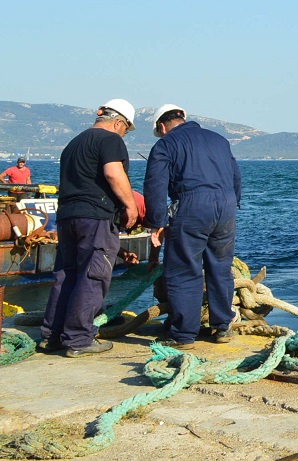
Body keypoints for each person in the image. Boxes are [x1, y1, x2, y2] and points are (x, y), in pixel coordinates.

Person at [40, 99, 140, 357]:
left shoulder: (73, 143)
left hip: (67, 216)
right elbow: (113, 174)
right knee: (93, 276)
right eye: (126, 130)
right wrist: (130, 206)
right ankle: (79, 339)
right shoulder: (110, 140)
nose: (123, 134)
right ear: (119, 122)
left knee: (66, 275)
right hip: (95, 216)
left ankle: (52, 336)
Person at [143, 104, 242, 349]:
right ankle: (222, 327)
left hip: (192, 204)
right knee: (220, 266)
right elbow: (236, 177)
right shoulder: (219, 139)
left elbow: (155, 185)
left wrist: (156, 223)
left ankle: (184, 334)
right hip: (226, 205)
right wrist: (232, 203)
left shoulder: (165, 144)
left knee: (183, 269)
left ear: (162, 126)